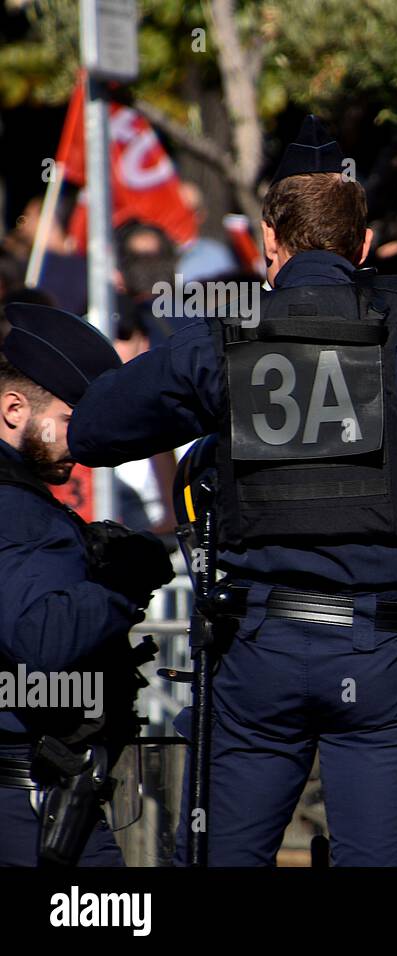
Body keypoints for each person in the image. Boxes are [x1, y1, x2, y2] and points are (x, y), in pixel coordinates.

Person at [66, 116, 397, 866]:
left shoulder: (230, 332)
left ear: (269, 237)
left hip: (260, 647)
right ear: (363, 243)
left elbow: (95, 428)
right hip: (380, 652)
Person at [0, 303, 173, 866]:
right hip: (30, 795)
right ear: (13, 409)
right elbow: (42, 640)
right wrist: (121, 580)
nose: (87, 440)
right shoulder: (21, 512)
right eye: (74, 420)